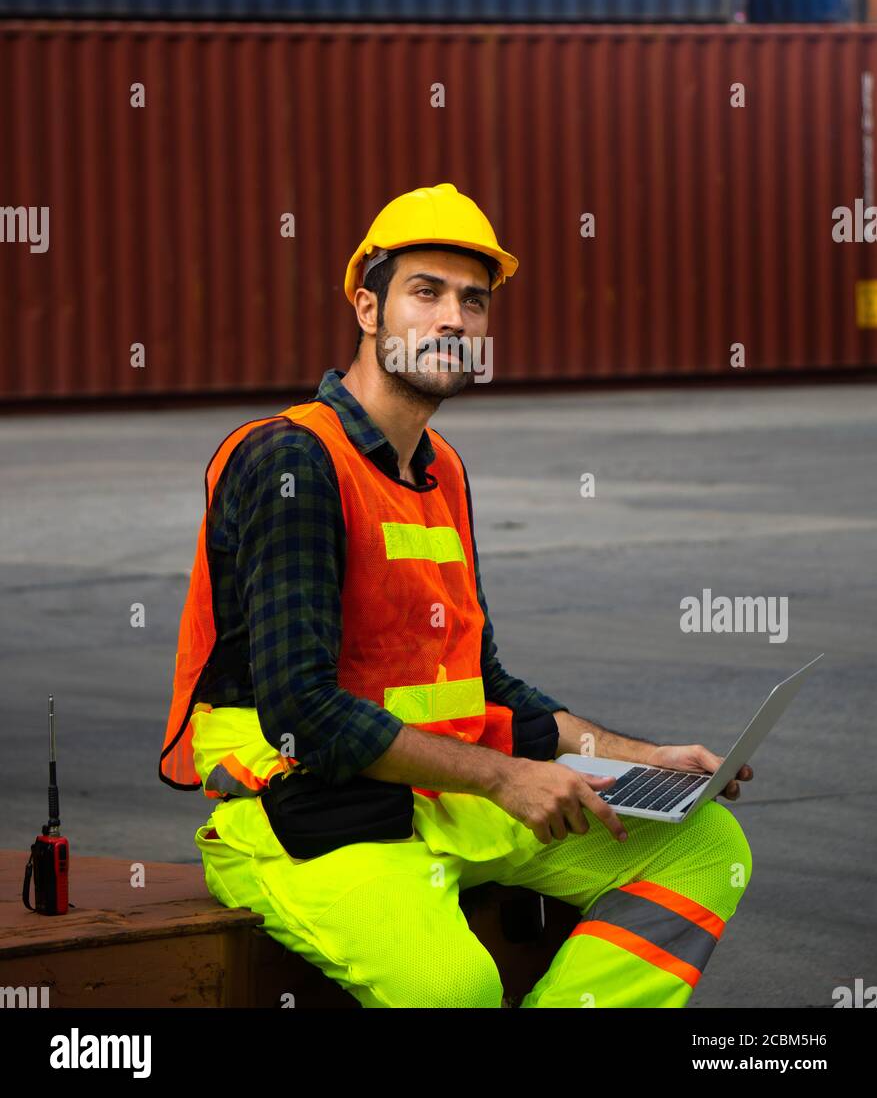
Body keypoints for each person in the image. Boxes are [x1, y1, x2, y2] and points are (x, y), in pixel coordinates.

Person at [159, 181, 753, 1008]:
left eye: (473, 302)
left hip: (439, 799)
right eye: (425, 293)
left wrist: (640, 758)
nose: (453, 320)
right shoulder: (293, 462)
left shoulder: (440, 471)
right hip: (304, 819)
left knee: (702, 845)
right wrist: (508, 779)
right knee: (456, 990)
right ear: (367, 309)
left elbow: (483, 685)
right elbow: (305, 714)